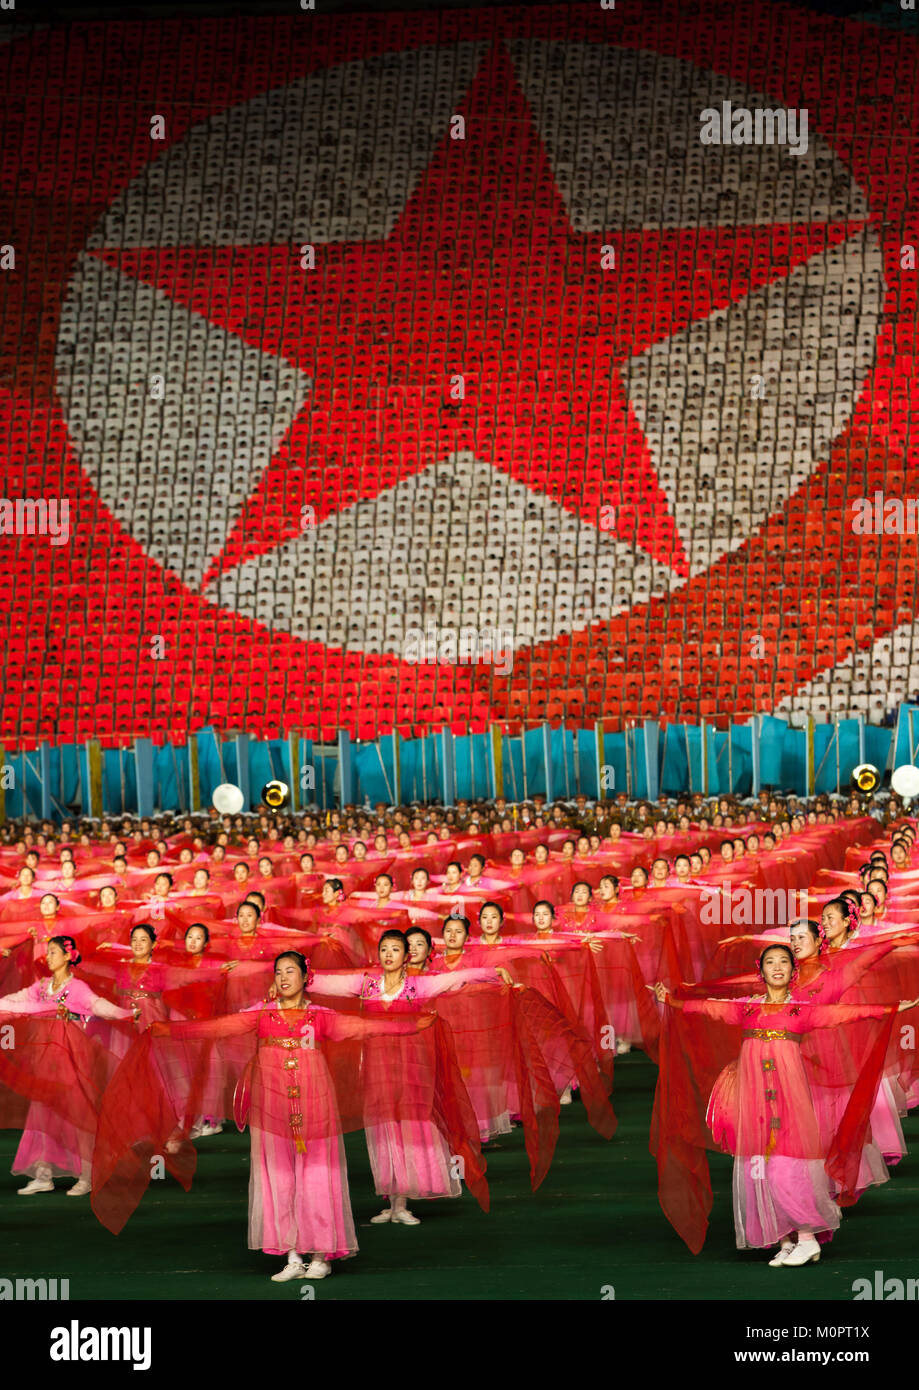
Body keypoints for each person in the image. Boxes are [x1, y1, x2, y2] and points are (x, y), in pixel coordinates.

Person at [653, 945, 916, 1264]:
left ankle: (807, 1236)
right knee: (758, 1167)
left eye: (783, 962)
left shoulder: (801, 1010)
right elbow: (707, 1008)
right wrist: (672, 1000)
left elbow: (843, 1013)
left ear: (793, 972)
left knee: (785, 1165)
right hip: (753, 1101)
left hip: (787, 1101)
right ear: (760, 971)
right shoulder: (746, 1008)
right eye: (769, 962)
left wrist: (888, 1009)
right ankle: (787, 1238)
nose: (777, 967)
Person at [0, 936, 136, 1196]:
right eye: (48, 952)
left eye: (53, 952)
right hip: (45, 1061)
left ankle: (87, 1176)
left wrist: (126, 1014)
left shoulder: (77, 988)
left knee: (78, 1113)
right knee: (41, 1111)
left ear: (67, 957)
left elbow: (99, 1006)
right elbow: (15, 1000)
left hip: (72, 1058)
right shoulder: (41, 987)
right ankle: (43, 1174)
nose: (48, 957)